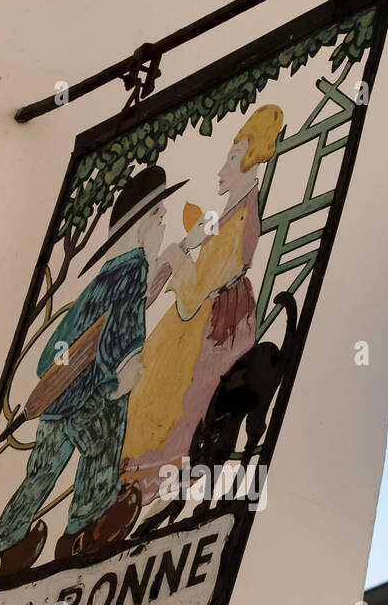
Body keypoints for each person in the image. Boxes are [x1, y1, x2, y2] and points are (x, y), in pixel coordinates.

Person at [0, 165, 184, 587]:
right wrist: (124, 372)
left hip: (57, 397)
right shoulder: (134, 266)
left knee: (40, 474)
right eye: (159, 216)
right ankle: (86, 527)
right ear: (141, 223)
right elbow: (121, 330)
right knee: (101, 449)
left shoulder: (103, 277)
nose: (161, 225)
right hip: (94, 392)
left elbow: (75, 334)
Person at [120, 103, 283, 506]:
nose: (222, 167)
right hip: (208, 314)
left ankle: (150, 479)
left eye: (231, 156)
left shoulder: (242, 218)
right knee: (147, 373)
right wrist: (188, 245)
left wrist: (177, 258)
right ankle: (137, 479)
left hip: (215, 327)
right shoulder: (230, 213)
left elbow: (195, 297)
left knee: (157, 380)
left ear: (248, 157)